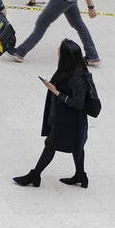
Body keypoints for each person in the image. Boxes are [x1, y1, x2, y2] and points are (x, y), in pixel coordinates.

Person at [13, 39, 95, 189]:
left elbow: (78, 103)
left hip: (69, 121)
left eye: (60, 49)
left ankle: (34, 175)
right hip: (68, 118)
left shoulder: (77, 77)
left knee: (51, 145)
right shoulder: (69, 69)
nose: (57, 49)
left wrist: (55, 91)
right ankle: (81, 175)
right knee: (77, 146)